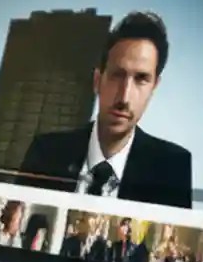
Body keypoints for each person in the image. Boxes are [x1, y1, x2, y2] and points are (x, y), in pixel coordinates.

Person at [16, 11, 193, 209]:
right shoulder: (45, 152)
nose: (124, 97)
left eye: (141, 79)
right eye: (117, 75)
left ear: (153, 88)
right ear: (97, 81)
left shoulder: (173, 169)